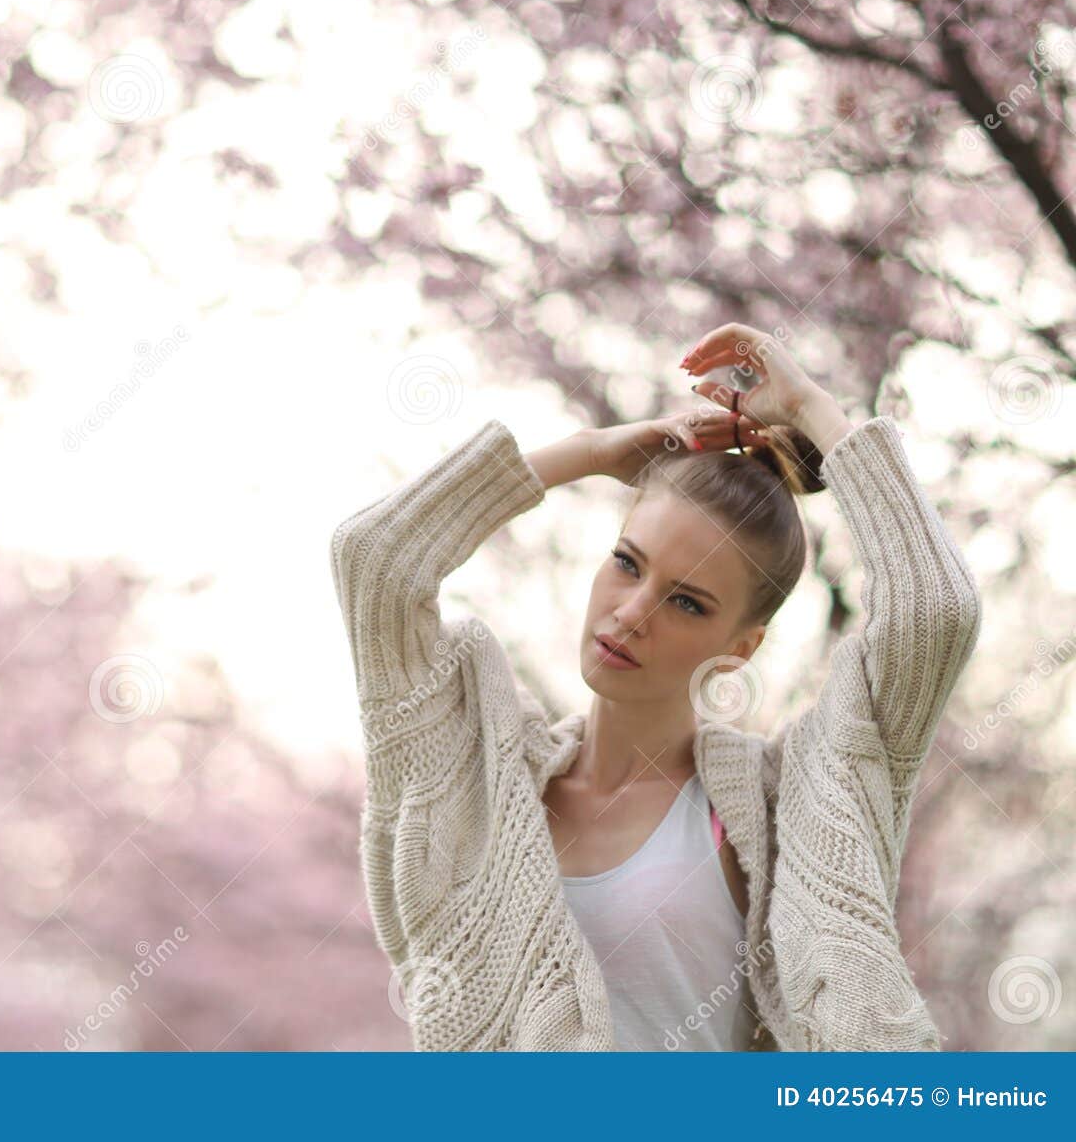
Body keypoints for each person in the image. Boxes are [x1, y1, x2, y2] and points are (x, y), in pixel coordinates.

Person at [328, 323, 983, 1050]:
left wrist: (811, 410)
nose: (632, 612)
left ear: (740, 649)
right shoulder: (483, 778)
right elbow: (375, 557)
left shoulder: (779, 807)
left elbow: (936, 612)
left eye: (687, 602)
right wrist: (591, 452)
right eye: (627, 563)